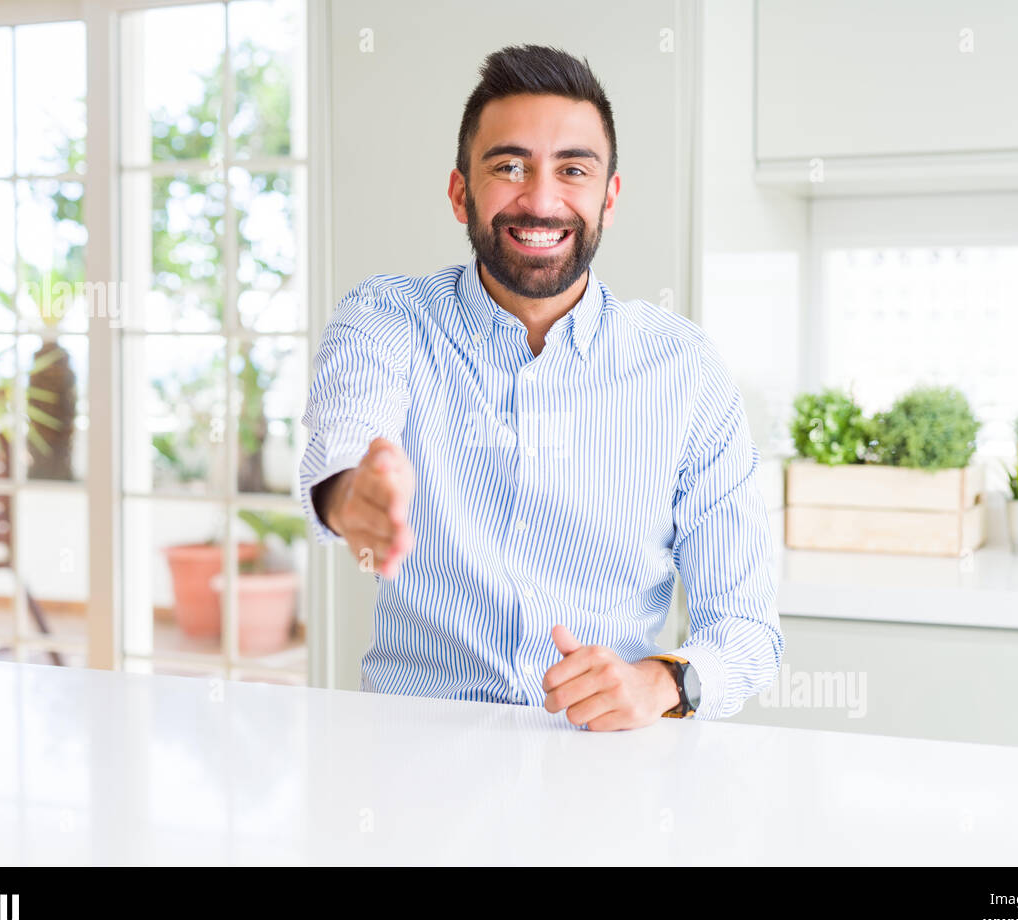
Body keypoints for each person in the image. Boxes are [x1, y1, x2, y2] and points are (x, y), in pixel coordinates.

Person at [299, 44, 782, 731]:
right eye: (509, 166)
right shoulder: (386, 318)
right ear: (460, 191)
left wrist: (661, 682)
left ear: (608, 197)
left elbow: (747, 626)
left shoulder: (685, 370)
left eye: (573, 170)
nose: (541, 199)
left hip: (608, 767)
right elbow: (338, 453)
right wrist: (353, 498)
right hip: (409, 762)